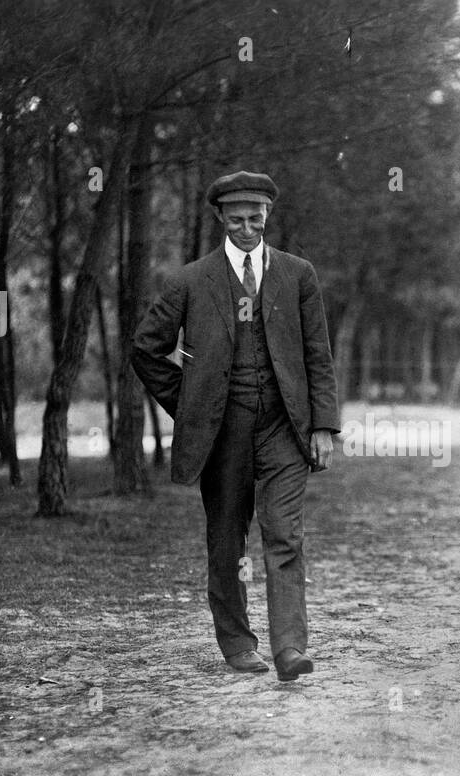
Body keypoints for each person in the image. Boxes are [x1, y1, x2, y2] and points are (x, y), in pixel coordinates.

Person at [132, 170, 340, 681]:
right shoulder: (189, 281)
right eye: (237, 220)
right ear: (220, 219)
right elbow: (146, 348)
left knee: (284, 533)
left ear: (268, 217)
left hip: (284, 427)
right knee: (226, 539)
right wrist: (191, 404)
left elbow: (318, 354)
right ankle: (238, 644)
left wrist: (323, 426)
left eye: (257, 219)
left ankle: (289, 649)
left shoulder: (297, 275)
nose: (248, 229)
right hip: (223, 431)